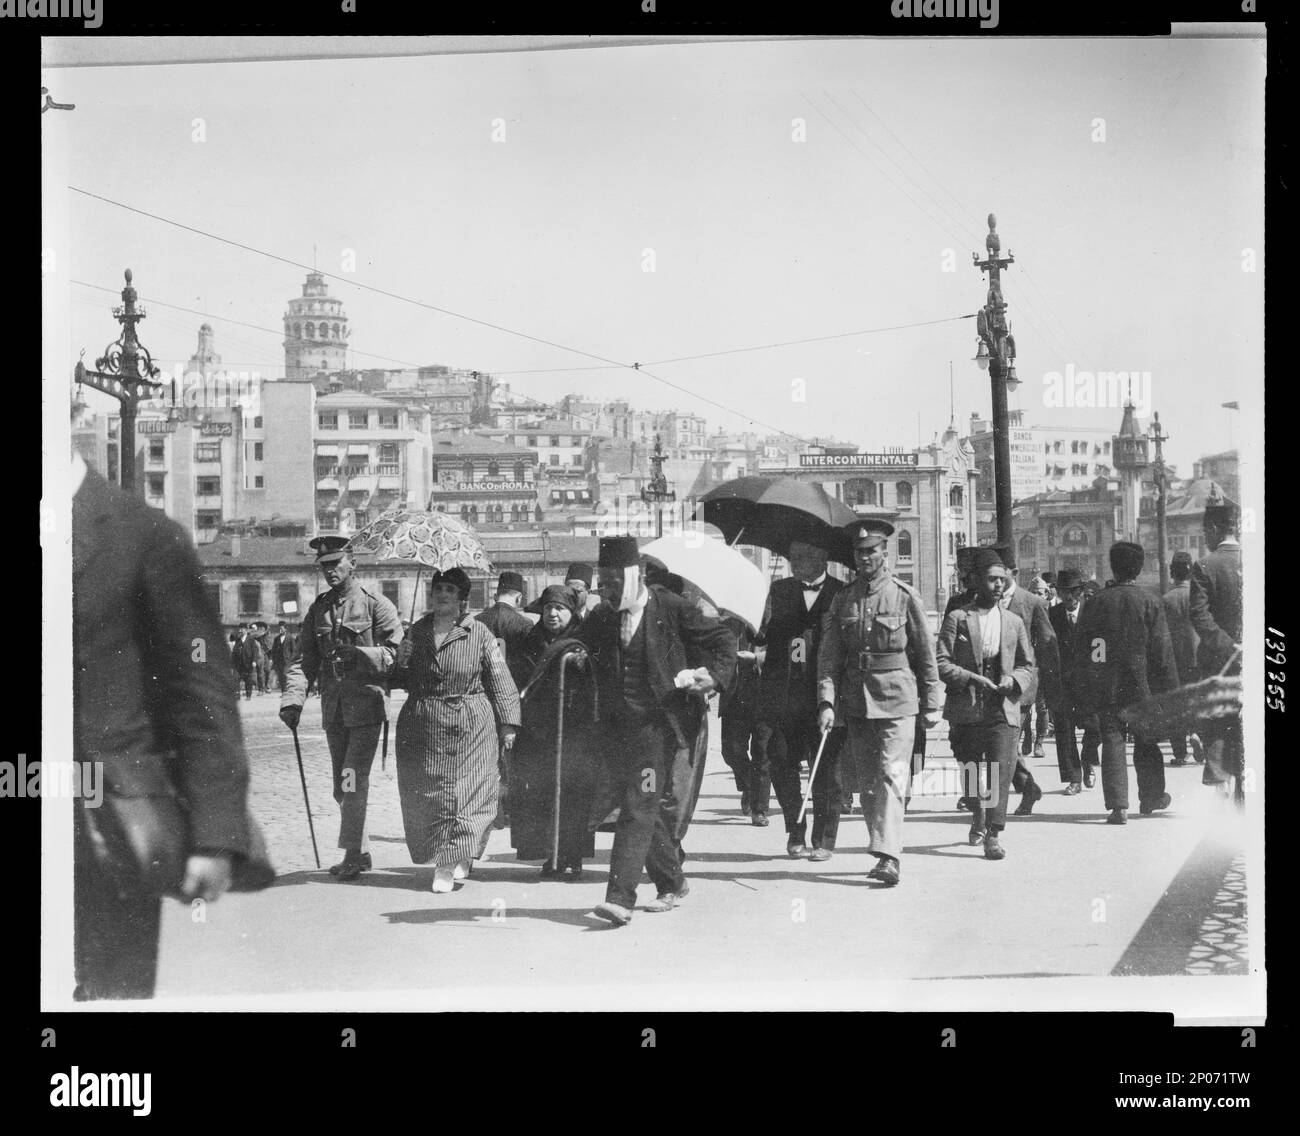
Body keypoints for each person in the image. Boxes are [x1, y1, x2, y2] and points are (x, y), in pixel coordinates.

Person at [72, 451, 256, 1000]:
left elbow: (198, 689)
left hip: (105, 828)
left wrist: (215, 833)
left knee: (103, 1000)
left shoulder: (145, 536)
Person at [574, 535, 735, 925]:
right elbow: (569, 643)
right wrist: (572, 656)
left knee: (638, 803)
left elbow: (724, 642)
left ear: (638, 574)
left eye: (615, 581)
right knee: (642, 809)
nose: (607, 590)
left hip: (659, 728)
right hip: (616, 729)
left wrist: (711, 677)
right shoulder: (603, 616)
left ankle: (620, 898)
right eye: (603, 582)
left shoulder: (673, 608)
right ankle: (672, 879)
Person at [817, 521, 943, 887]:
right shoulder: (844, 600)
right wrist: (827, 702)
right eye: (860, 552)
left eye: (872, 551)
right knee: (869, 783)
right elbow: (829, 658)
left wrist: (932, 702)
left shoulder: (904, 596)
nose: (866, 558)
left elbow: (925, 655)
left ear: (884, 553)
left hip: (898, 698)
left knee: (891, 774)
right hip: (856, 701)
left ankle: (889, 855)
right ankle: (881, 845)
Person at [390, 567, 521, 892]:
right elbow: (399, 682)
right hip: (425, 724)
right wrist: (400, 661)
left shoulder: (479, 633)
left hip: (471, 724)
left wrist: (508, 724)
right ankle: (450, 854)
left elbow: (501, 679)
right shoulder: (416, 633)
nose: (443, 594)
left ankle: (447, 865)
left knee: (469, 795)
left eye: (450, 590)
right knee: (432, 796)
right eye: (439, 589)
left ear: (462, 599)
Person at [279, 537, 403, 879]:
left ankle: (351, 855)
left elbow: (396, 657)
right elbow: (303, 660)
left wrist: (360, 655)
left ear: (353, 564)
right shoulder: (319, 608)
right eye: (324, 566)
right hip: (334, 710)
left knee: (352, 779)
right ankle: (360, 850)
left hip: (367, 707)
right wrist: (293, 700)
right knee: (341, 785)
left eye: (336, 564)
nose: (330, 571)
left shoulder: (378, 606)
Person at [936, 548, 1036, 860]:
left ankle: (993, 833)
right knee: (969, 766)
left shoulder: (1013, 622)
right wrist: (970, 678)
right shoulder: (958, 618)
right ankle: (976, 812)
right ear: (977, 581)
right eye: (991, 579)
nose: (998, 585)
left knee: (998, 768)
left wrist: (1014, 681)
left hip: (1001, 707)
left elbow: (1028, 664)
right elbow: (941, 661)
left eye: (1002, 580)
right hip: (966, 707)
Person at [754, 538, 846, 859]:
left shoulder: (840, 592)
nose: (795, 563)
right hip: (783, 697)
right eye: (792, 557)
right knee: (781, 762)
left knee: (826, 770)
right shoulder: (778, 591)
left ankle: (824, 839)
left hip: (824, 697)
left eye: (803, 557)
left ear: (821, 558)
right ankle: (795, 830)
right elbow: (760, 636)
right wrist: (751, 613)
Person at [1076, 542, 1180, 824]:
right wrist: (1169, 690)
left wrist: (1094, 677)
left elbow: (1089, 647)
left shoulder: (1096, 602)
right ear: (1139, 567)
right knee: (1146, 741)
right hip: (1141, 685)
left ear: (1113, 566)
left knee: (1112, 740)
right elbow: (1161, 652)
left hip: (1106, 684)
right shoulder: (1149, 602)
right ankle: (1151, 797)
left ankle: (1118, 806)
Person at [509, 585, 597, 878]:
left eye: (559, 608)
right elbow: (517, 679)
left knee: (574, 792)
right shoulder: (529, 641)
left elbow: (596, 681)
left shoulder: (584, 640)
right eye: (548, 608)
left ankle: (573, 856)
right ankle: (551, 855)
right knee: (543, 792)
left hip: (576, 729)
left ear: (571, 612)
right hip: (539, 729)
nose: (552, 613)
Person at [993, 543, 1057, 813]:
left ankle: (992, 809)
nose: (994, 580)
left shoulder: (1033, 603)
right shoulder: (984, 599)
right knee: (1002, 743)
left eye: (1001, 573)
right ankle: (1027, 787)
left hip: (1021, 687)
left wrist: (1044, 683)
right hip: (993, 685)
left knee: (1007, 742)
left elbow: (1047, 644)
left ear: (1014, 572)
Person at [1190, 488, 1243, 793]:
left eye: (1204, 532)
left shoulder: (1205, 566)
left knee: (1217, 720)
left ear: (1213, 530)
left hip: (1218, 660)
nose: (1204, 537)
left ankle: (1220, 784)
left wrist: (1228, 646)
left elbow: (1200, 617)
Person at [475, 570, 534, 829]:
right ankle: (510, 810)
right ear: (519, 597)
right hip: (514, 698)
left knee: (486, 757)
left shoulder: (477, 622)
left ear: (496, 592)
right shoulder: (524, 625)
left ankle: (491, 809)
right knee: (513, 757)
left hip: (483, 696)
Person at [1047, 568, 1101, 794]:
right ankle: (1074, 778)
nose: (1068, 597)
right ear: (1058, 593)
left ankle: (1088, 758)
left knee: (1095, 727)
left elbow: (1100, 644)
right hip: (1063, 683)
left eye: (1073, 592)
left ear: (1081, 592)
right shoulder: (1053, 615)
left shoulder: (1093, 612)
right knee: (1064, 730)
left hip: (1090, 682)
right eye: (1063, 592)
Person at [719, 613, 769, 825]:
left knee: (763, 753)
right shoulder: (726, 625)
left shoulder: (773, 624)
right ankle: (749, 786)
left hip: (765, 698)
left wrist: (757, 658)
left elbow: (788, 654)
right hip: (734, 698)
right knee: (731, 751)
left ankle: (759, 809)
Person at [1162, 551, 1202, 766]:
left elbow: (1162, 634)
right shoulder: (1199, 596)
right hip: (1199, 657)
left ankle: (1179, 753)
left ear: (1172, 572)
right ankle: (1197, 733)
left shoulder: (1166, 599)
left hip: (1175, 660)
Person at [269, 621, 297, 694]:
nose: (280, 630)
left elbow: (294, 650)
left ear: (285, 629)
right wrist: (272, 659)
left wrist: (292, 660)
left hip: (287, 661)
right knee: (281, 676)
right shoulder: (277, 638)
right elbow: (273, 650)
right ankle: (283, 692)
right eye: (279, 629)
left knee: (285, 675)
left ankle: (288, 691)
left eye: (281, 629)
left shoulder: (290, 638)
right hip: (279, 661)